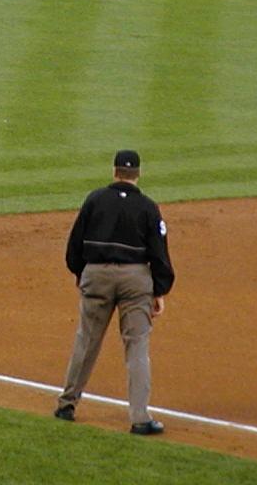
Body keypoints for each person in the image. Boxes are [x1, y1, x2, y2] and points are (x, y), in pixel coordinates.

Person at [55, 149, 175, 434]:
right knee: (137, 346)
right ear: (138, 174)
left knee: (87, 341)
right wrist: (159, 290)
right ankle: (140, 418)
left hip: (96, 274)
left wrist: (82, 274)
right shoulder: (148, 206)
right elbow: (159, 253)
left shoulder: (95, 200)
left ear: (114, 171)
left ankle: (66, 405)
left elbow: (74, 247)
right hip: (136, 280)